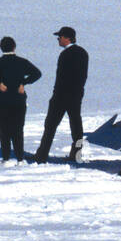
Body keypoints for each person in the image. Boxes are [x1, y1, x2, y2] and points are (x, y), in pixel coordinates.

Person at [33, 26, 88, 164]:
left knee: (50, 125)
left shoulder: (65, 54)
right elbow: (82, 76)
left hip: (62, 95)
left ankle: (41, 155)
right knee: (76, 125)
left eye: (60, 37)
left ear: (67, 38)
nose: (58, 39)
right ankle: (77, 154)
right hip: (76, 95)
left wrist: (56, 94)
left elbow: (61, 77)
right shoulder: (83, 53)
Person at [0, 37, 42, 163]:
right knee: (18, 129)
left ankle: (5, 158)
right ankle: (20, 158)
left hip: (0, 100)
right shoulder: (22, 62)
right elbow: (37, 73)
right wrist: (24, 83)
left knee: (3, 129)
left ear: (1, 48)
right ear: (14, 47)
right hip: (18, 100)